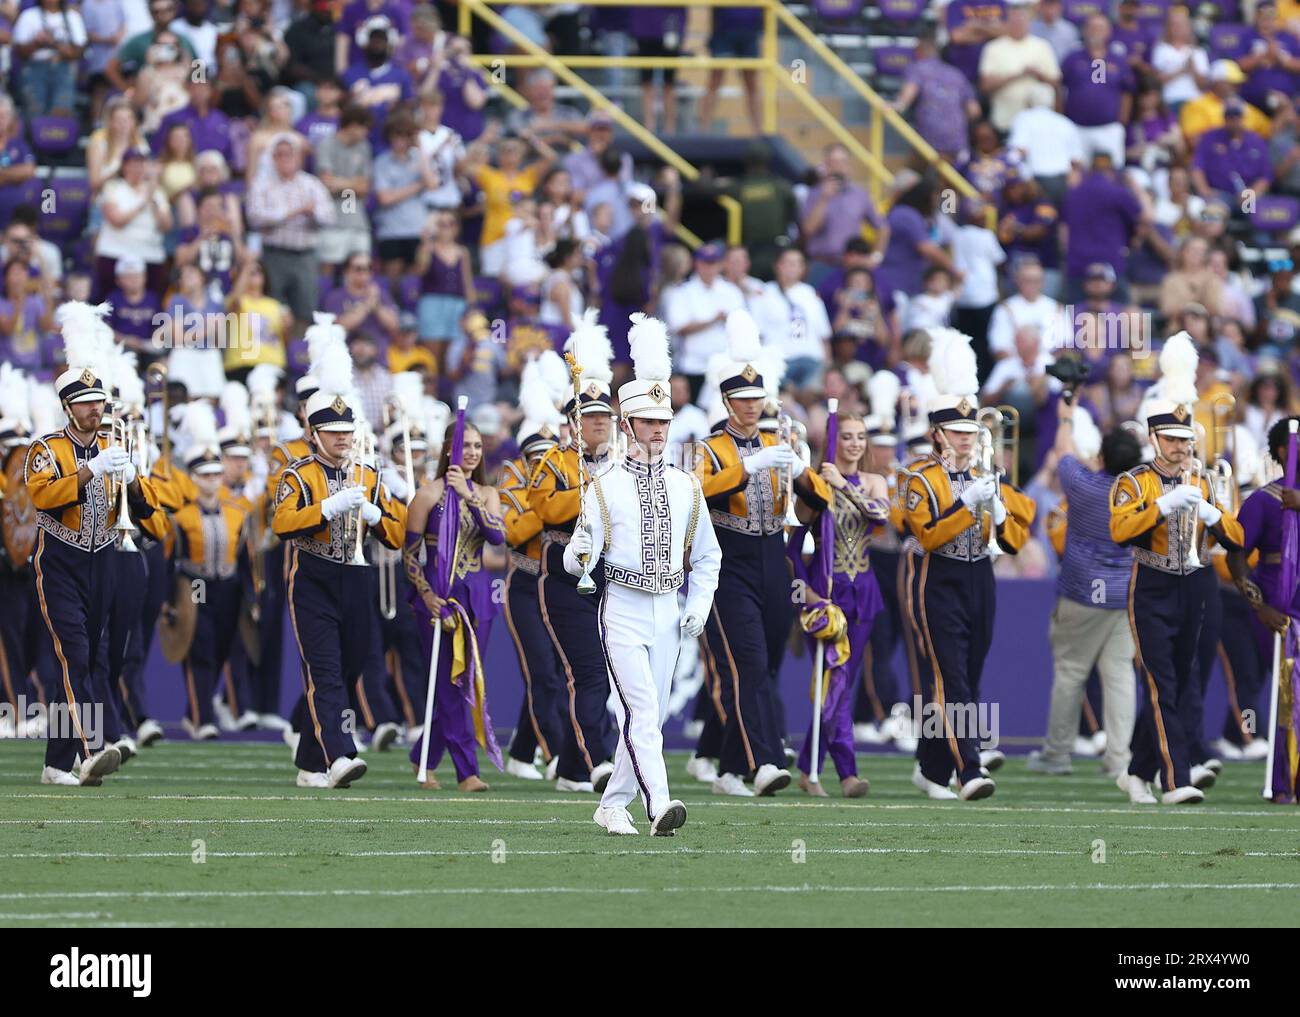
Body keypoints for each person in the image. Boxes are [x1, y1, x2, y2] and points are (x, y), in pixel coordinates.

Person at [566, 313, 720, 834]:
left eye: (664, 422)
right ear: (628, 425)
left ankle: (612, 803)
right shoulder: (603, 486)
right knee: (642, 709)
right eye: (648, 422)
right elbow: (575, 561)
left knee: (645, 714)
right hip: (623, 607)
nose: (658, 430)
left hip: (669, 611)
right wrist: (580, 551)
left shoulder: (686, 486)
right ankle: (660, 804)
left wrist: (697, 605)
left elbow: (707, 557)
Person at [25, 303, 167, 786]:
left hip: (104, 555)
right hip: (59, 560)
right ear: (67, 406)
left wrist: (130, 479)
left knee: (89, 656)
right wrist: (89, 471)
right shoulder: (46, 447)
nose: (95, 408)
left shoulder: (116, 443)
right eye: (85, 401)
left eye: (99, 400)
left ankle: (55, 763)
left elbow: (151, 513)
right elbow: (42, 495)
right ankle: (92, 749)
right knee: (75, 653)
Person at [694, 309, 832, 797]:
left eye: (757, 398)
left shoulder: (780, 440)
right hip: (727, 556)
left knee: (768, 661)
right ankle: (766, 760)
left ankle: (729, 767)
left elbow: (819, 503)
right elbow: (697, 491)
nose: (752, 406)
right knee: (747, 660)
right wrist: (748, 465)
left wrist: (800, 471)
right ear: (728, 400)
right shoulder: (709, 446)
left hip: (774, 553)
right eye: (743, 399)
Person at [900, 327, 1036, 801]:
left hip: (982, 576)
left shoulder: (985, 474)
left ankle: (931, 766)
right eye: (956, 433)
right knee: (951, 676)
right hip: (938, 578)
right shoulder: (920, 476)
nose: (965, 440)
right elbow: (928, 535)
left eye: (970, 432)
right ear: (937, 434)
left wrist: (999, 511)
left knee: (967, 674)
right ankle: (969, 768)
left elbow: (1019, 534)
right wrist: (965, 507)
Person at [1109, 334, 1244, 805]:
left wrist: (1214, 516)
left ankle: (1138, 770)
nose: (1181, 448)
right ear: (1153, 440)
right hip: (1152, 582)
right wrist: (1162, 506)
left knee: (1186, 681)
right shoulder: (1134, 481)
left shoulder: (1207, 478)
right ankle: (1176, 777)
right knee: (1162, 680)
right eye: (1171, 440)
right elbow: (1120, 529)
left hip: (1199, 581)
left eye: (1186, 440)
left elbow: (1238, 536)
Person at [272, 343, 407, 788]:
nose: (342, 437)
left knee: (349, 669)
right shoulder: (298, 475)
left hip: (359, 578)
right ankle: (340, 755)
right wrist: (326, 508)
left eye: (347, 429)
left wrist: (377, 516)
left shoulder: (369, 474)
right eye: (331, 431)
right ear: (313, 434)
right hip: (315, 577)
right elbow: (282, 523)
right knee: (325, 670)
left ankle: (311, 762)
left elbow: (399, 534)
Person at [527, 312, 618, 793]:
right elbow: (544, 507)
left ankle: (570, 767)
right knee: (587, 671)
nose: (598, 424)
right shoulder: (553, 462)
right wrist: (592, 491)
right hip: (564, 573)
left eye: (605, 417)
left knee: (607, 672)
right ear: (572, 423)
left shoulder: (625, 464)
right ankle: (597, 759)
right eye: (590, 417)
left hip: (614, 574)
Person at [1028, 398, 1139, 778]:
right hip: (1124, 594)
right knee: (1120, 675)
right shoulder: (1141, 493)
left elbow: (1063, 452)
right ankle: (1120, 760)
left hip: (1081, 593)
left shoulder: (1084, 484)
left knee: (1071, 673)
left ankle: (1057, 755)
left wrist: (1065, 416)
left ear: (1103, 457)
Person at [404, 418, 506, 791]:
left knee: (464, 682)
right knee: (446, 685)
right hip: (438, 601)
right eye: (466, 447)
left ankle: (424, 758)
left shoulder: (487, 493)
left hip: (477, 600)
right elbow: (410, 555)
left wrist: (469, 495)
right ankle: (468, 772)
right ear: (449, 449)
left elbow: (497, 536)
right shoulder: (427, 495)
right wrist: (426, 595)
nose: (473, 453)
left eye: (478, 447)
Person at [791, 412, 889, 798]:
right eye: (846, 436)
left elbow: (880, 516)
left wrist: (842, 488)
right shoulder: (817, 486)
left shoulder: (874, 481)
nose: (854, 443)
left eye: (860, 437)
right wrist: (806, 593)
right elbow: (793, 545)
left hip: (862, 591)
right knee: (836, 680)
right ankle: (846, 773)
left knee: (838, 683)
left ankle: (808, 767)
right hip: (826, 594)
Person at [499, 354, 570, 780]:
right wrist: (548, 504)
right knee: (543, 671)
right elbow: (512, 531)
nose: (544, 467)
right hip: (526, 582)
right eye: (537, 459)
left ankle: (523, 752)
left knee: (556, 671)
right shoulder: (511, 480)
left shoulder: (565, 477)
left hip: (560, 580)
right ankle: (561, 754)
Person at [1227, 417, 1300, 789]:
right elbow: (1235, 556)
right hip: (1278, 605)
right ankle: (1285, 777)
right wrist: (1259, 606)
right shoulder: (1263, 501)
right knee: (1288, 690)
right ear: (1287, 451)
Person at [172, 425, 251, 740]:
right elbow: (172, 559)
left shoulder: (237, 513)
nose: (212, 481)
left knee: (222, 646)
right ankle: (202, 717)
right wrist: (169, 601)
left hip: (228, 586)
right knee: (201, 644)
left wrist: (250, 595)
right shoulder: (182, 515)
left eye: (216, 474)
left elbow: (245, 559)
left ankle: (196, 710)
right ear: (192, 477)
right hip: (197, 584)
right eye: (204, 475)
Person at [244, 135, 335, 334]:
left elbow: (330, 216)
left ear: (298, 157)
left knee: (305, 308)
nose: (285, 159)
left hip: (305, 255)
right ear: (273, 159)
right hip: (274, 254)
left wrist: (313, 213)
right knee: (272, 305)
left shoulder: (312, 184)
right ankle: (274, 355)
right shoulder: (261, 183)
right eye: (280, 155)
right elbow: (254, 217)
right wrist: (292, 213)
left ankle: (299, 357)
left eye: (289, 154)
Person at [893, 31, 981, 161]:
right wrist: (953, 119)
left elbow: (906, 98)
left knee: (914, 170)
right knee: (951, 177)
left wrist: (895, 106)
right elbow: (974, 111)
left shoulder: (918, 68)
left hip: (929, 138)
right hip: (956, 139)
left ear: (918, 52)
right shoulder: (956, 74)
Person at [978, 0, 1060, 133]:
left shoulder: (1042, 46)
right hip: (1005, 121)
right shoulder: (993, 47)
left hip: (1038, 124)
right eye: (1014, 21)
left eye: (1022, 21)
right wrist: (1017, 74)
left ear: (1028, 23)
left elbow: (1055, 82)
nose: (1018, 24)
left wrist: (1037, 73)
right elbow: (985, 85)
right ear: (1007, 23)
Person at [13, 0, 88, 119]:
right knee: (34, 112)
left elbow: (78, 52)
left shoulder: (72, 17)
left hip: (63, 69)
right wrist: (37, 42)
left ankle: (58, 137)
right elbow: (19, 51)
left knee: (61, 111)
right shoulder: (29, 16)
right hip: (35, 69)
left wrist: (53, 43)